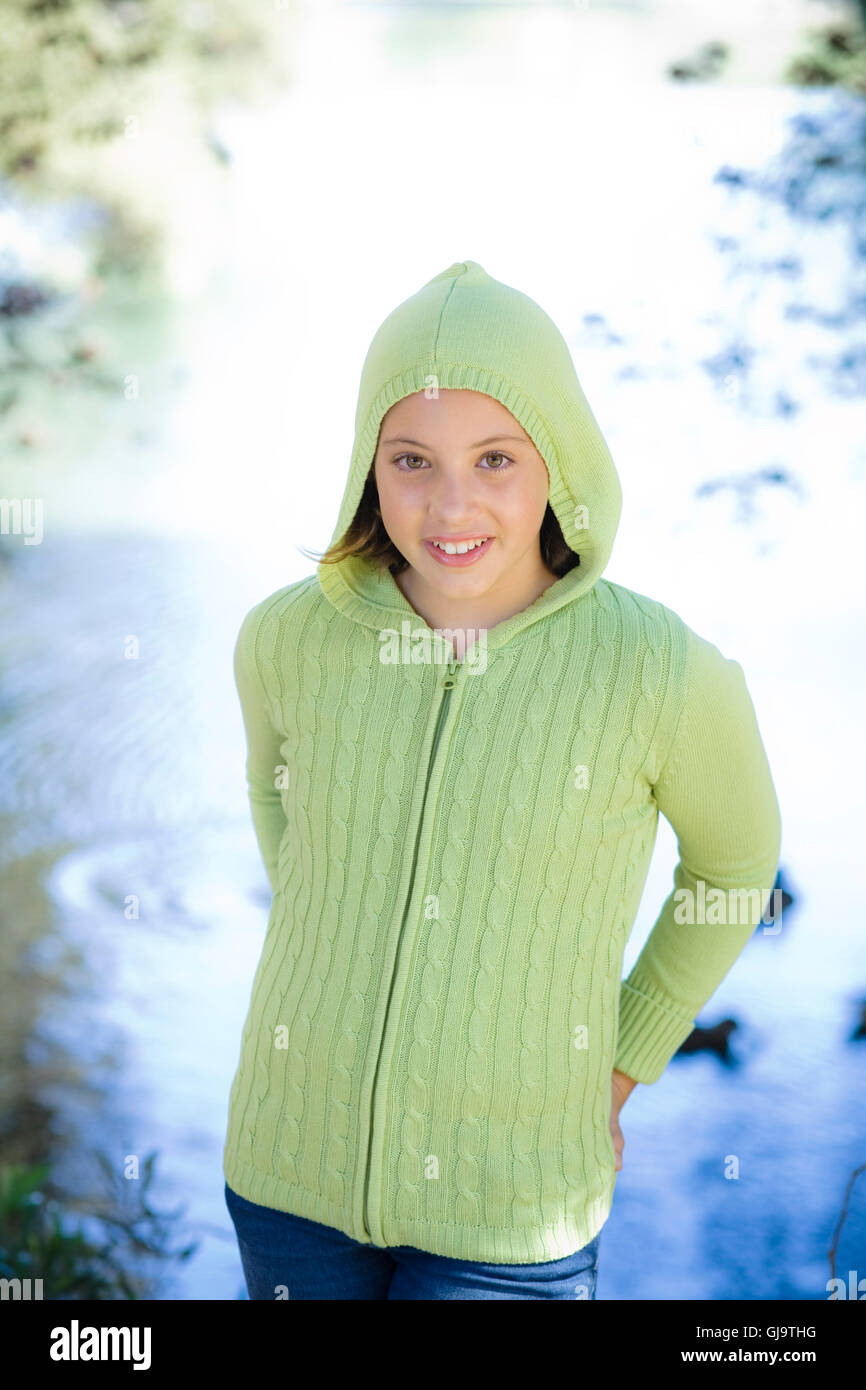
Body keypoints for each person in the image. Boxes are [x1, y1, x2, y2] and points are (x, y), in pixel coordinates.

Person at [223, 259, 782, 1300]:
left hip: (510, 1212)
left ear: (556, 462)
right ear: (366, 465)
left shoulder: (659, 668)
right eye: (409, 461)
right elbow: (276, 793)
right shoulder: (284, 638)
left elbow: (737, 863)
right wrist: (327, 926)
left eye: (493, 459)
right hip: (285, 1172)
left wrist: (619, 1060)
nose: (449, 505)